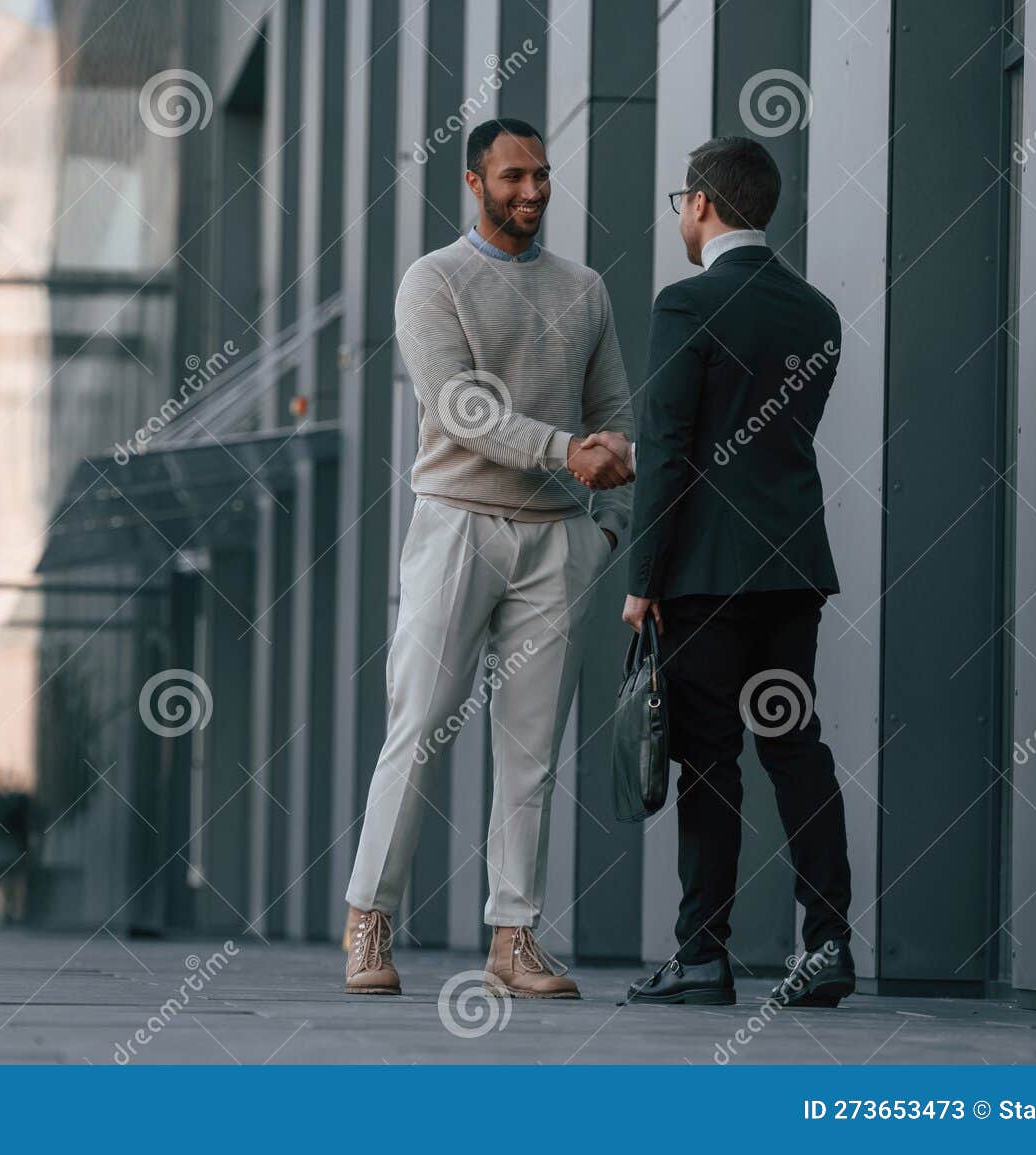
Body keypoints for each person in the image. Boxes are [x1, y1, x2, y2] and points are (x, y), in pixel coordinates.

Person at [341, 117, 633, 999]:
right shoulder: (433, 280)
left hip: (558, 539)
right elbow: (459, 407)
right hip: (457, 525)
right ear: (475, 183)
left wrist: (606, 529)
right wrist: (564, 450)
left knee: (532, 749)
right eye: (513, 177)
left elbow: (615, 415)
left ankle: (514, 937)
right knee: (418, 724)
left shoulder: (585, 289)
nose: (532, 191)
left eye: (540, 174)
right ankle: (369, 920)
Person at [594, 136, 856, 1008]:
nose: (681, 216)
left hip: (705, 577)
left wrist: (642, 578)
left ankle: (703, 956)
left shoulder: (687, 303)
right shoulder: (816, 311)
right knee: (795, 747)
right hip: (792, 570)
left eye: (682, 201)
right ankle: (828, 946)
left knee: (709, 760)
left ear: (701, 204)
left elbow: (669, 448)